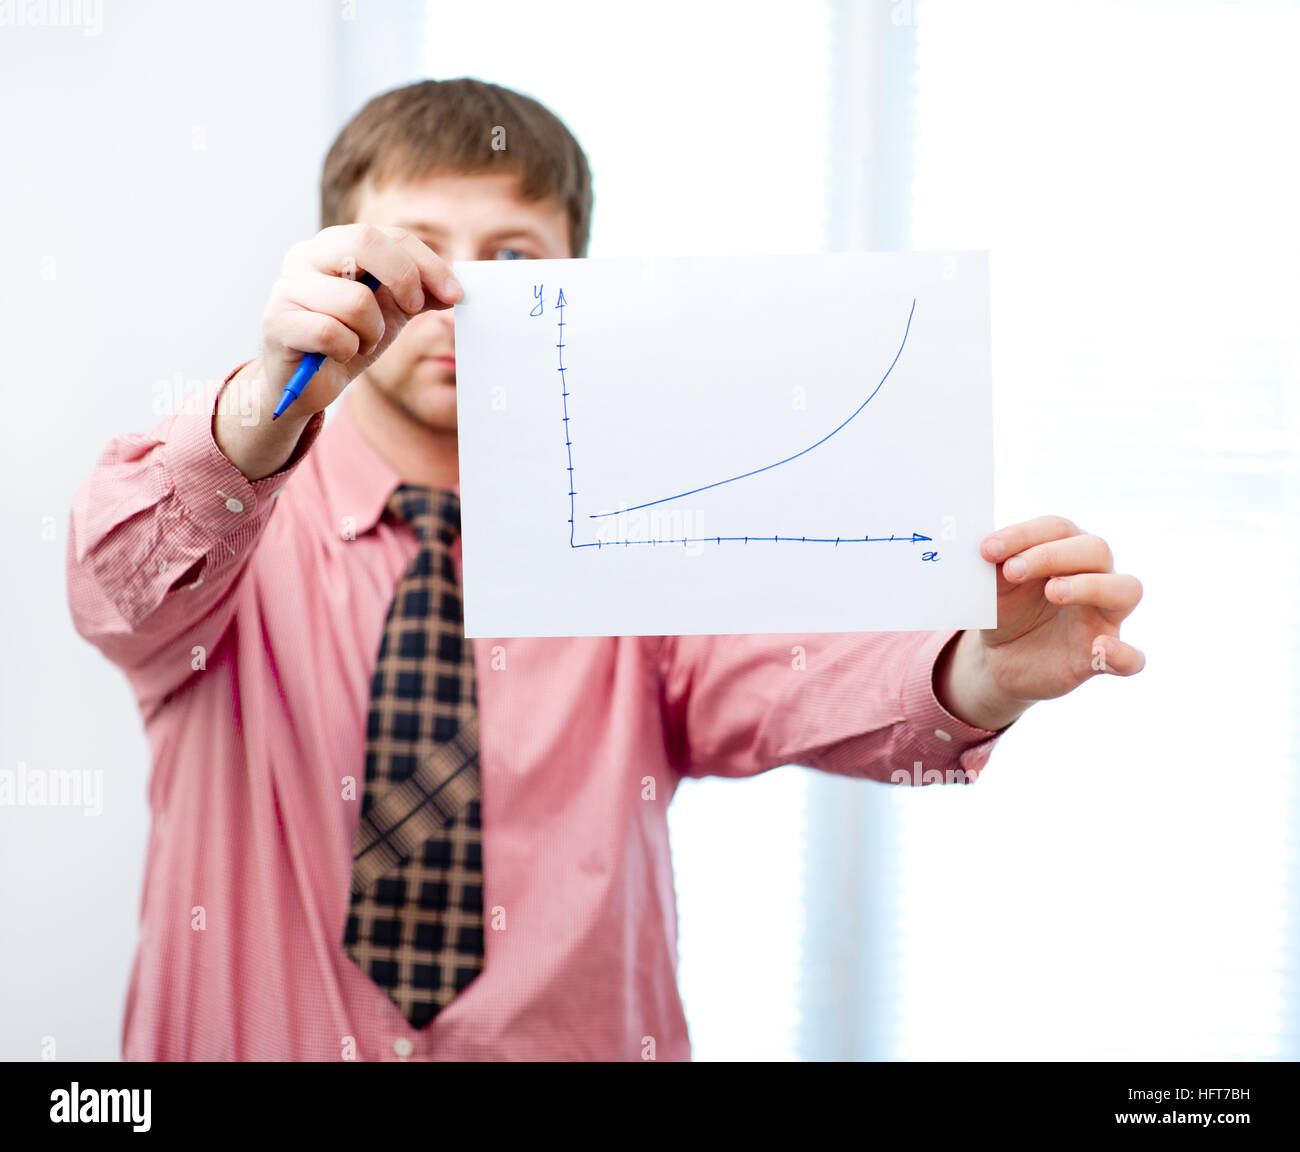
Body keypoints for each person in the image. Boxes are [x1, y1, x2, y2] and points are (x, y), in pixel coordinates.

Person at [66, 78, 1144, 1062]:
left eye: (515, 258)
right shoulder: (228, 527)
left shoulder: (649, 534)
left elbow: (802, 682)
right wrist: (267, 401)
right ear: (335, 266)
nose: (448, 294)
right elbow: (116, 584)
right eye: (412, 250)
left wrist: (981, 670)